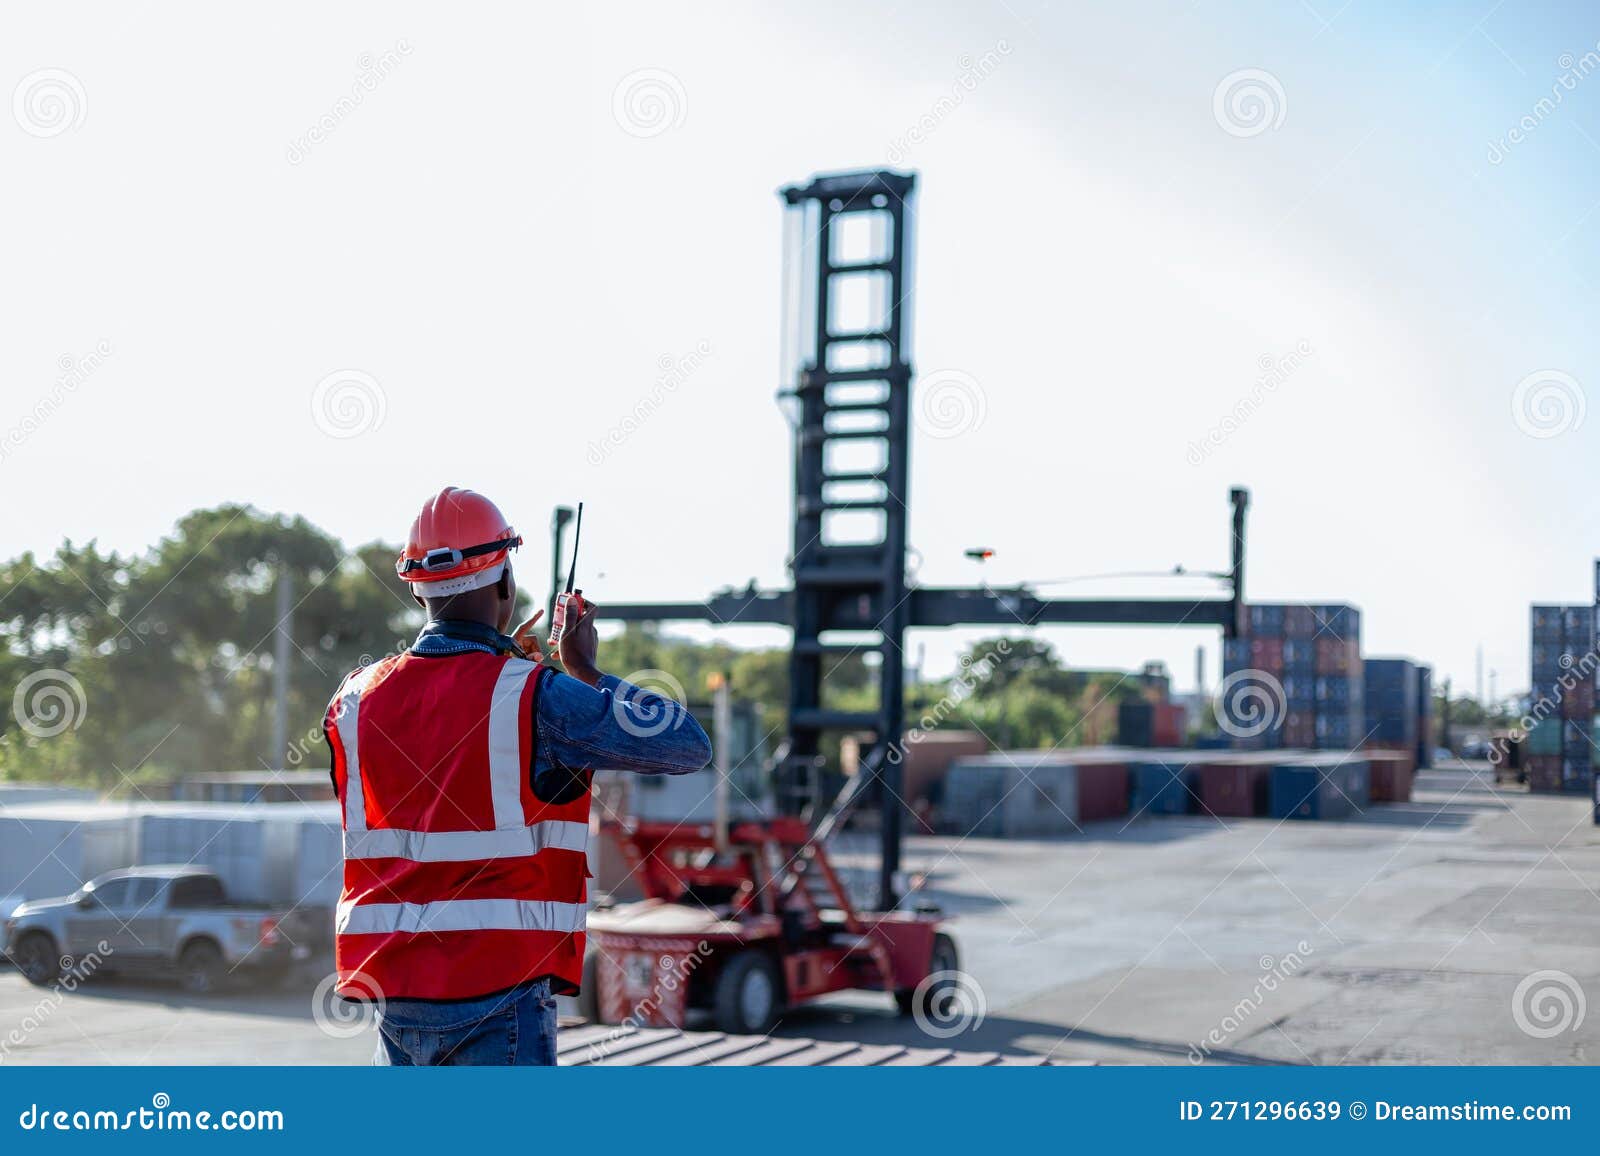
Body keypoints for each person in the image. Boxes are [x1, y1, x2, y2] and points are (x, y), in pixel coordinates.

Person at [322, 486, 711, 1065]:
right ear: (504, 582)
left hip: (393, 997)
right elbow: (684, 745)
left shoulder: (354, 700)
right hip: (499, 994)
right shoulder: (534, 695)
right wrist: (584, 670)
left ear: (418, 588)